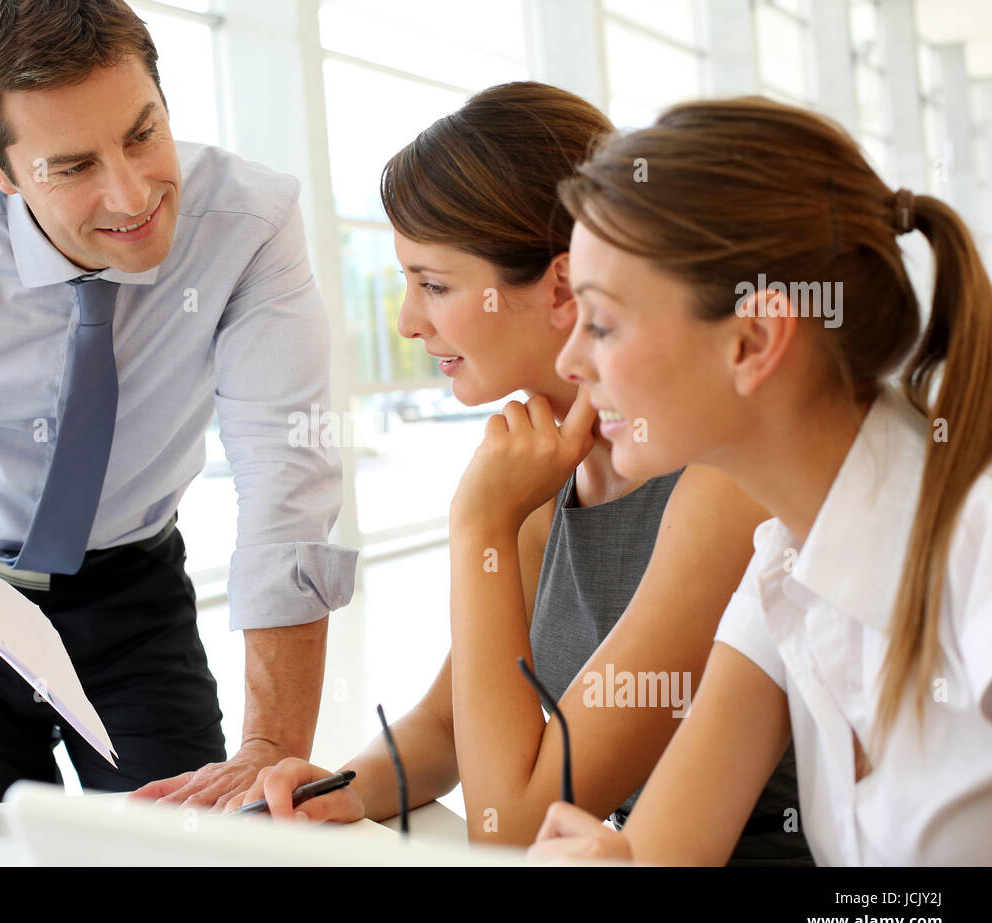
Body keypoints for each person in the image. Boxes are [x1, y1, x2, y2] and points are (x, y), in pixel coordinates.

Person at [0, 0, 356, 807]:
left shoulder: (249, 225)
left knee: (185, 845)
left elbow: (286, 480)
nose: (131, 196)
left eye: (141, 134)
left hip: (133, 591)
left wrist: (269, 750)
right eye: (73, 167)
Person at [230, 82, 810, 863]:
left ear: (562, 288)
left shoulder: (717, 486)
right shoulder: (547, 469)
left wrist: (478, 527)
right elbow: (446, 725)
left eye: (434, 284)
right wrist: (330, 792)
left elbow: (507, 823)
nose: (407, 321)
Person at [529, 96, 992, 865]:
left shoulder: (976, 545)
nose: (569, 362)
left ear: (753, 339)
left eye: (602, 323)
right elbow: (665, 854)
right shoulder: (784, 555)